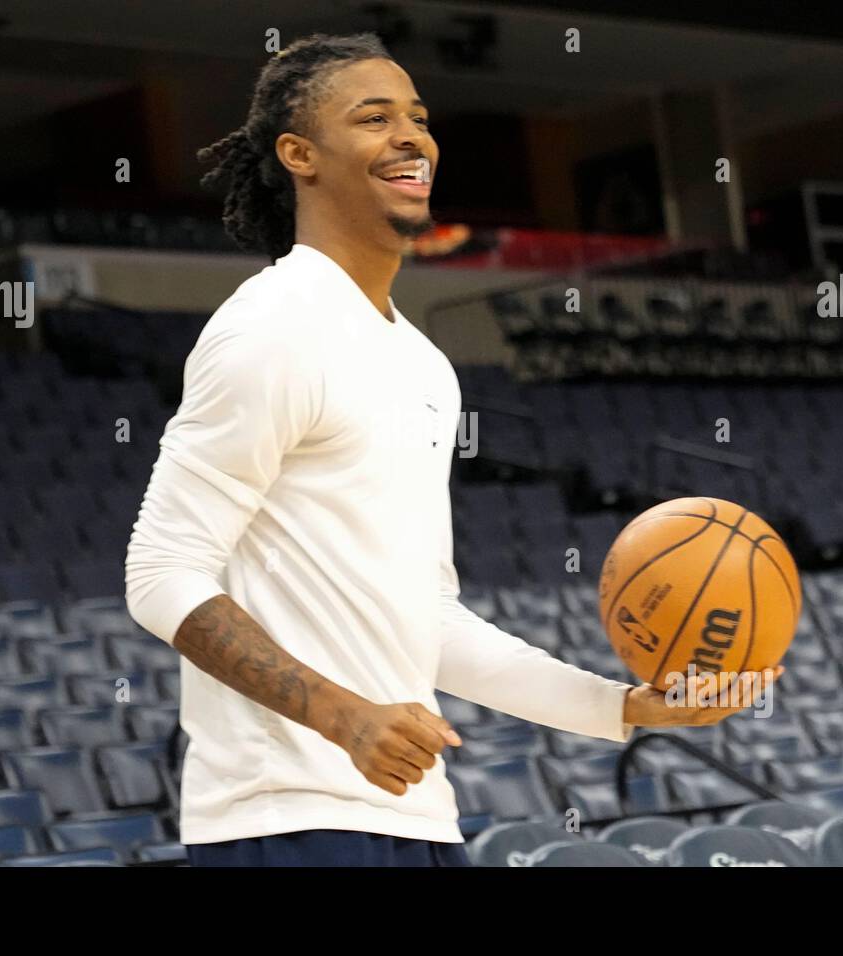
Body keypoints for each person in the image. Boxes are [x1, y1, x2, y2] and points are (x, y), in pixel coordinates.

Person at [124, 32, 777, 868]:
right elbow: (161, 571)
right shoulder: (272, 327)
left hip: (418, 815)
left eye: (419, 118)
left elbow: (426, 622)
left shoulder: (423, 362)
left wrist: (619, 708)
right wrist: (344, 715)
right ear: (299, 154)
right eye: (373, 117)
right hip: (286, 818)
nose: (412, 138)